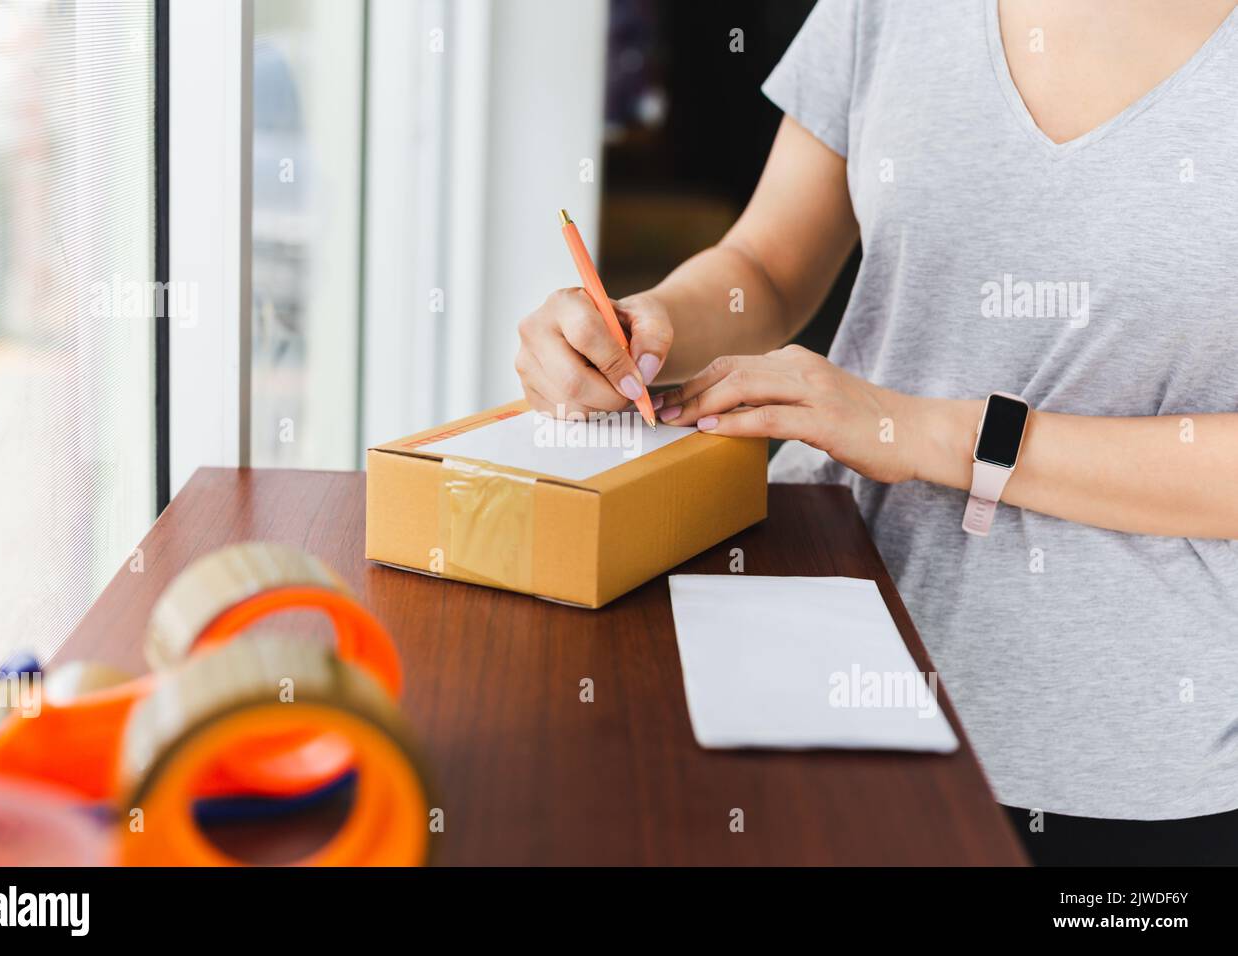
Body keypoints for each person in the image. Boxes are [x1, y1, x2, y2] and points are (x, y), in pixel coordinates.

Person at [513, 0, 1238, 865]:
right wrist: (643, 324)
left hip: (1112, 763)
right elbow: (767, 265)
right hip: (807, 656)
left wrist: (922, 432)